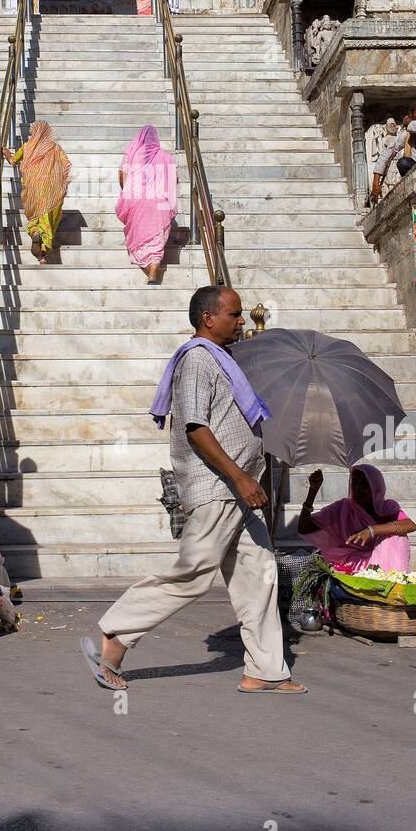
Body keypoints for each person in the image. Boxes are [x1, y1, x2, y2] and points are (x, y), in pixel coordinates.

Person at [81, 285, 307, 695]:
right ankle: (116, 634)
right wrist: (239, 476)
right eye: (234, 314)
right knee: (194, 572)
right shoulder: (199, 360)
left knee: (259, 574)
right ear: (208, 319)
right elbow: (196, 428)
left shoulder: (224, 361)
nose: (241, 321)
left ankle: (265, 670)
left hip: (241, 489)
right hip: (218, 487)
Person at [297, 462, 416, 573]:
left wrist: (371, 530)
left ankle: (395, 583)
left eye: (364, 483)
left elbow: (410, 525)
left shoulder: (387, 507)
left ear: (375, 486)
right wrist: (312, 491)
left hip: (383, 563)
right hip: (353, 564)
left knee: (398, 536)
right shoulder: (342, 507)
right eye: (355, 482)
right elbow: (304, 528)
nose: (358, 488)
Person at [3, 120, 71, 265]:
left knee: (35, 216)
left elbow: (14, 161)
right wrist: (62, 184)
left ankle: (36, 236)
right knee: (48, 217)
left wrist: (7, 153)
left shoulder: (27, 147)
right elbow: (66, 164)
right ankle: (43, 252)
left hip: (32, 188)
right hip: (51, 188)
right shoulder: (54, 147)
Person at [115, 125, 177, 285]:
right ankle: (154, 268)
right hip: (159, 201)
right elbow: (174, 179)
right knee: (156, 236)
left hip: (136, 200)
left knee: (141, 234)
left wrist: (128, 193)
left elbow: (122, 174)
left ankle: (147, 264)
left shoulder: (132, 155)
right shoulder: (166, 156)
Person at [370, 97, 416, 203]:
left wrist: (409, 122)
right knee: (403, 163)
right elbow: (387, 154)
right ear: (412, 114)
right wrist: (376, 184)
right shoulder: (406, 134)